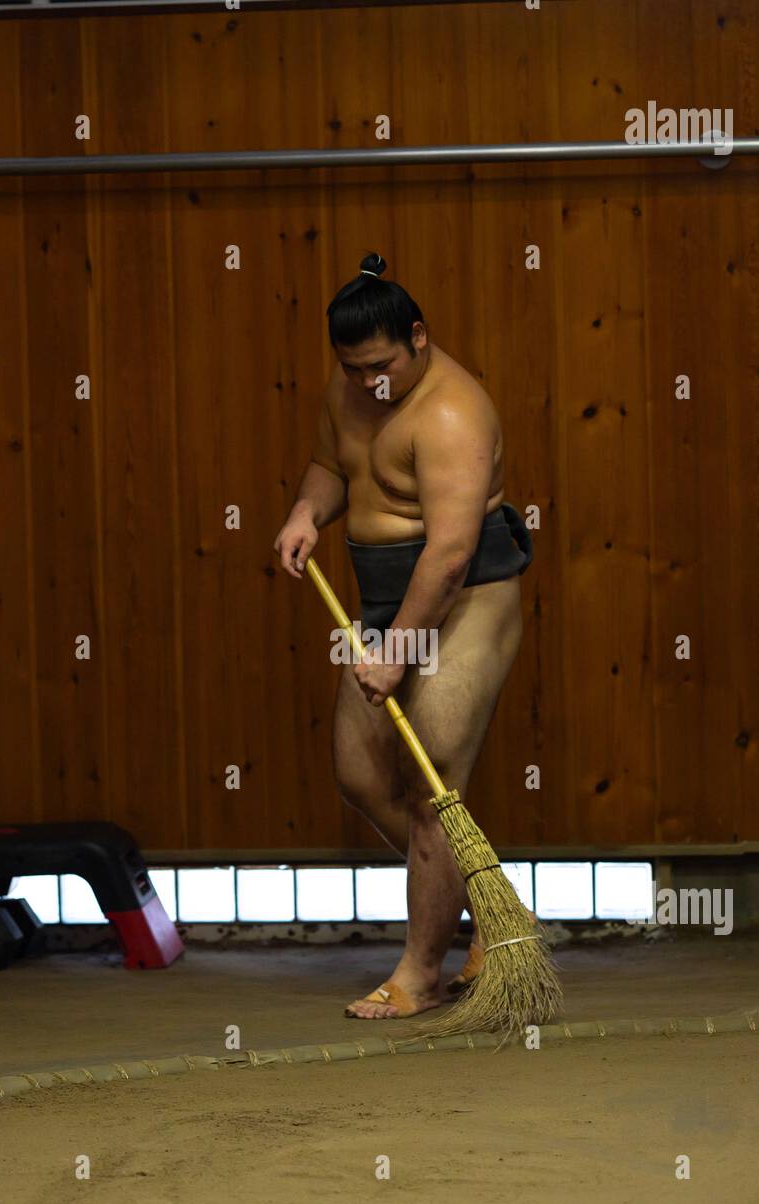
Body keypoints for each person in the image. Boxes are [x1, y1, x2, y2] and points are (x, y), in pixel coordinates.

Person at [274, 253, 534, 1019]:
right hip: (384, 598)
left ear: (418, 338)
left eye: (381, 365)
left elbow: (450, 555)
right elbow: (332, 463)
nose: (367, 384)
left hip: (465, 601)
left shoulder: (452, 412)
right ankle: (488, 900)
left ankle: (420, 972)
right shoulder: (353, 385)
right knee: (357, 774)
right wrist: (304, 512)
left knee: (431, 783)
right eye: (352, 368)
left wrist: (397, 651)